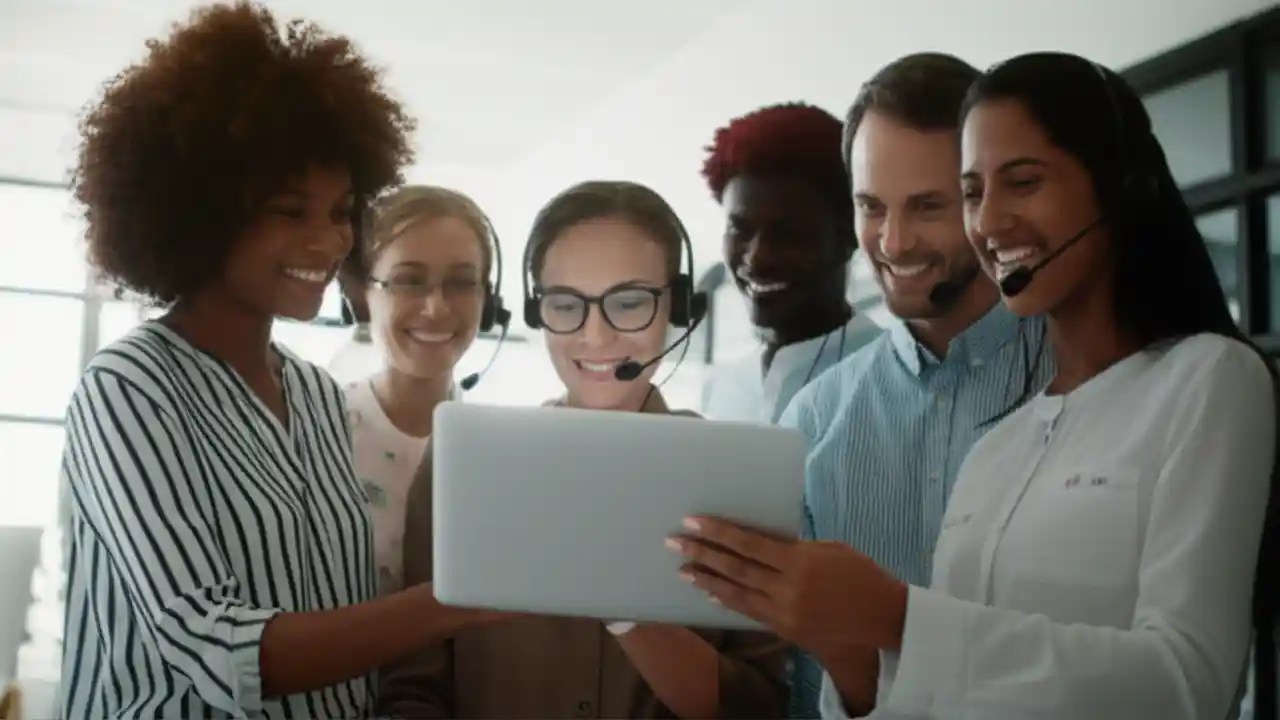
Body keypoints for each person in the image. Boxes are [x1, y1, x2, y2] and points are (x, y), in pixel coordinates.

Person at [672, 52, 1278, 720]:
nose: (987, 222)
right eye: (972, 194)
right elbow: (935, 697)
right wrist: (843, 643)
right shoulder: (1005, 444)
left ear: (1119, 186)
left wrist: (896, 617)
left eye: (1021, 182)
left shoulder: (1206, 379)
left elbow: (1189, 685)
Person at [58, 5, 504, 717]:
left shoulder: (318, 397)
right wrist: (460, 598)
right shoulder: (129, 390)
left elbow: (346, 624)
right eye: (290, 210)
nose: (329, 242)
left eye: (339, 212)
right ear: (204, 211)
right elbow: (220, 648)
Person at [703, 54, 1057, 718]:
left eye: (928, 207)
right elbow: (801, 684)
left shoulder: (1083, 379)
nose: (892, 242)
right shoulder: (814, 421)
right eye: (872, 206)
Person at [385, 180, 788, 719]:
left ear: (680, 306)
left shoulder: (739, 478)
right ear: (534, 311)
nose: (595, 337)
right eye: (565, 304)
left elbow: (760, 708)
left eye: (628, 302)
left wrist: (624, 609)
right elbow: (412, 688)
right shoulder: (465, 469)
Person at [344, 186, 503, 596]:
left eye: (461, 283)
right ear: (363, 294)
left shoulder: (503, 451)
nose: (435, 307)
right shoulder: (316, 430)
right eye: (408, 281)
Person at [700, 103, 880, 424]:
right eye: (739, 229)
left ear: (851, 235)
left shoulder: (895, 377)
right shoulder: (725, 387)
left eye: (787, 234)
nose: (757, 258)